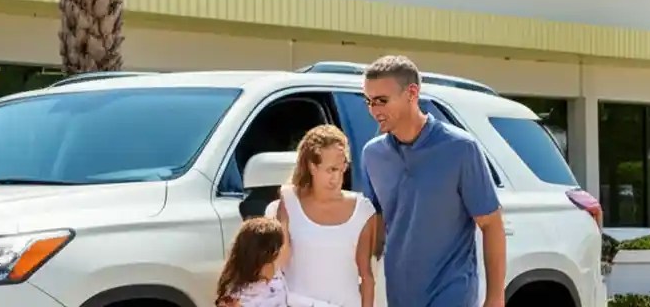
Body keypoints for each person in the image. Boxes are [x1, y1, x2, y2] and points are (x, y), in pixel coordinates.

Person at [358, 55, 506, 307]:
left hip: (452, 292)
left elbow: (491, 224)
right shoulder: (373, 155)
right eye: (369, 102)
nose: (374, 110)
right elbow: (376, 224)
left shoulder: (460, 148)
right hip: (399, 294)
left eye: (382, 100)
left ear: (412, 93)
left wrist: (495, 298)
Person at [270, 124, 378, 307]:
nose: (336, 178)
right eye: (330, 170)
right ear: (313, 167)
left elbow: (366, 276)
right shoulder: (289, 202)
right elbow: (278, 263)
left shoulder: (363, 210)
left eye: (341, 168)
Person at [215, 216, 343, 307]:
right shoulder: (237, 299)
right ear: (268, 255)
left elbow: (287, 298)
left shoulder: (275, 277)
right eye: (280, 248)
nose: (285, 251)